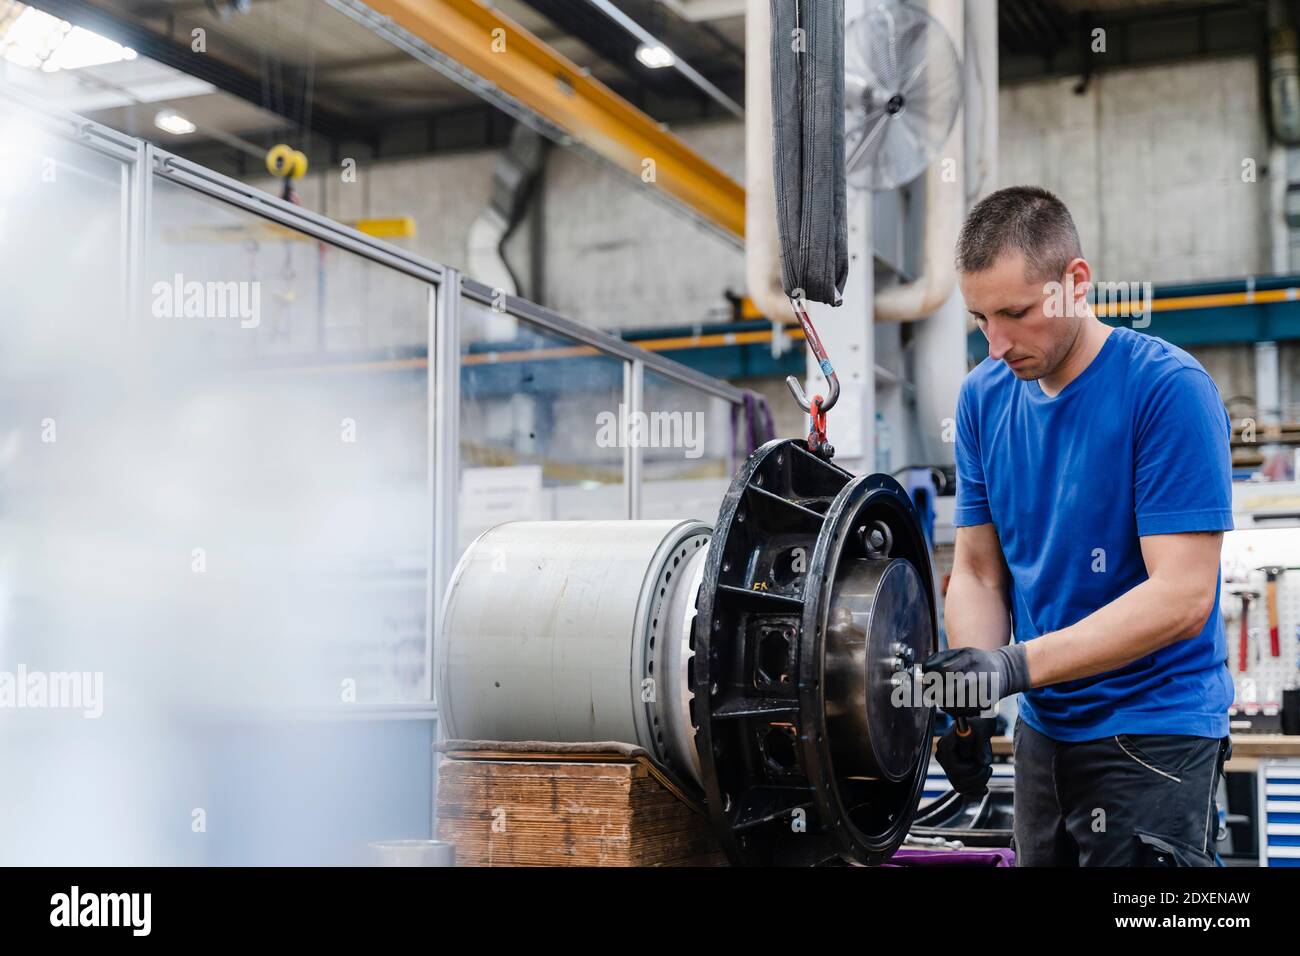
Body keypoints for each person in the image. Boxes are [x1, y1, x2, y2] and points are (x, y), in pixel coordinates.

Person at [923, 185, 1234, 866]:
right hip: (1043, 734)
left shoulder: (1167, 391)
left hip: (1154, 738)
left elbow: (1182, 598)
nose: (997, 344)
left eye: (1016, 313)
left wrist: (1009, 666)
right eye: (979, 319)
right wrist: (971, 707)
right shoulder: (982, 398)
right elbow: (978, 569)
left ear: (1075, 283)